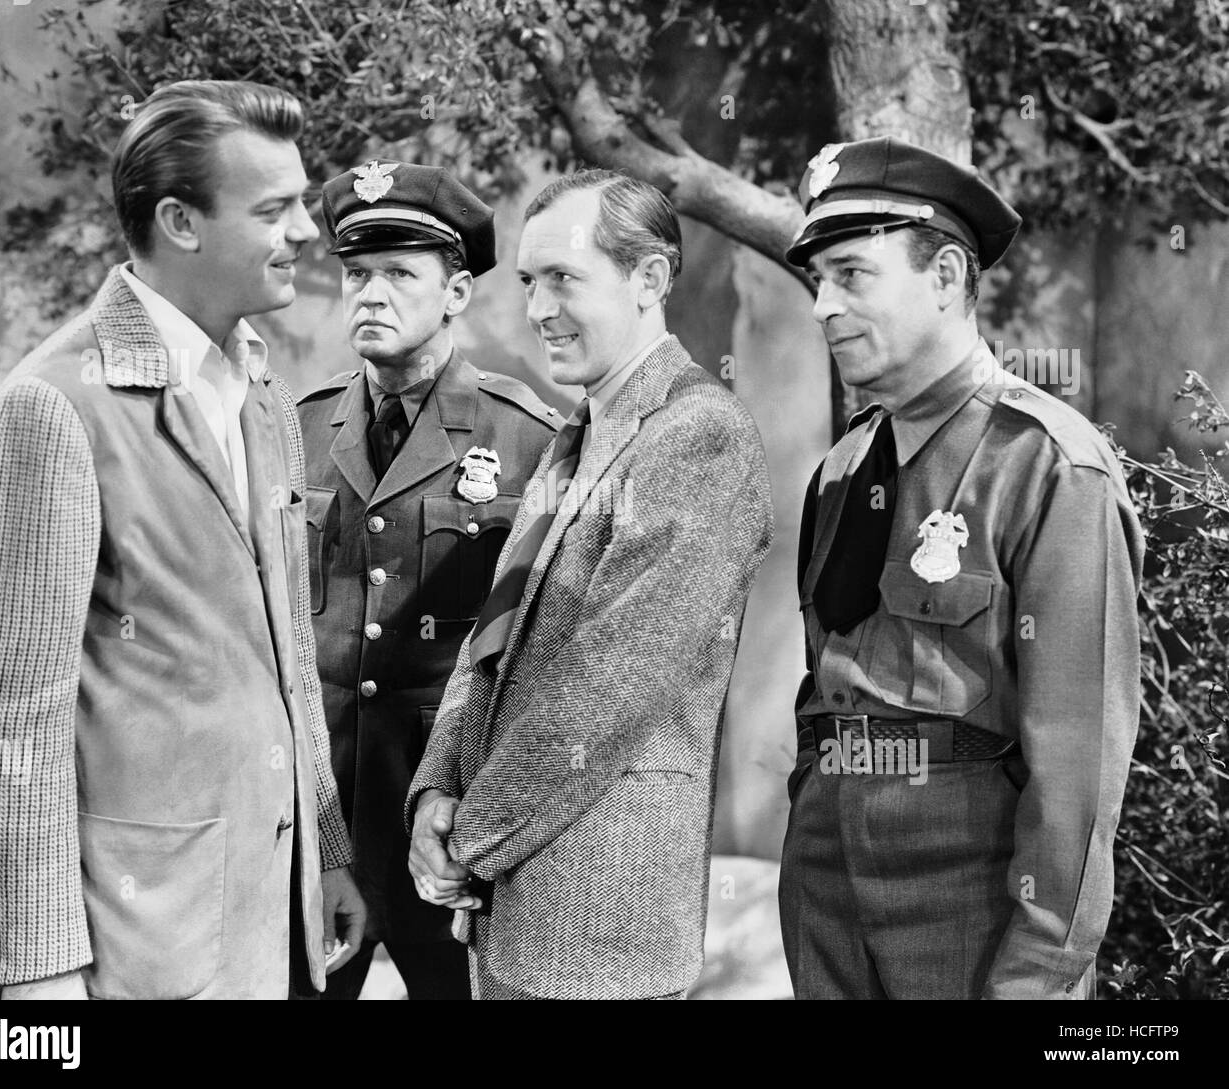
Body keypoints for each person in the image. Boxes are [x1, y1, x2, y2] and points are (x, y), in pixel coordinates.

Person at [0, 79, 364, 999]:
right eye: (276, 208)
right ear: (180, 221)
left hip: (274, 927)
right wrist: (39, 972)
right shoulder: (52, 408)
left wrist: (323, 851)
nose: (306, 232)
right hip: (140, 950)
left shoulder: (267, 396)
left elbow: (286, 652)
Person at [779, 136, 1144, 1000]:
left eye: (851, 274)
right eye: (817, 281)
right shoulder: (839, 472)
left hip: (971, 920)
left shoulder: (1050, 467)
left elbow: (1080, 771)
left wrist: (1039, 976)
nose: (824, 306)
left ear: (945, 276)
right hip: (827, 909)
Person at [405, 170, 774, 1000]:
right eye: (529, 281)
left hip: (601, 934)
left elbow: (609, 681)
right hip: (514, 907)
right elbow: (493, 642)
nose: (537, 309)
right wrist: (434, 787)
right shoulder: (579, 431)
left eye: (564, 278)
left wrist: (466, 835)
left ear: (649, 279)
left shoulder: (697, 435)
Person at [297, 161, 560, 1000]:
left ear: (455, 294)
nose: (370, 294)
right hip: (318, 822)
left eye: (399, 275)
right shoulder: (293, 427)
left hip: (444, 828)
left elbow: (540, 657)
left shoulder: (526, 438)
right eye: (357, 274)